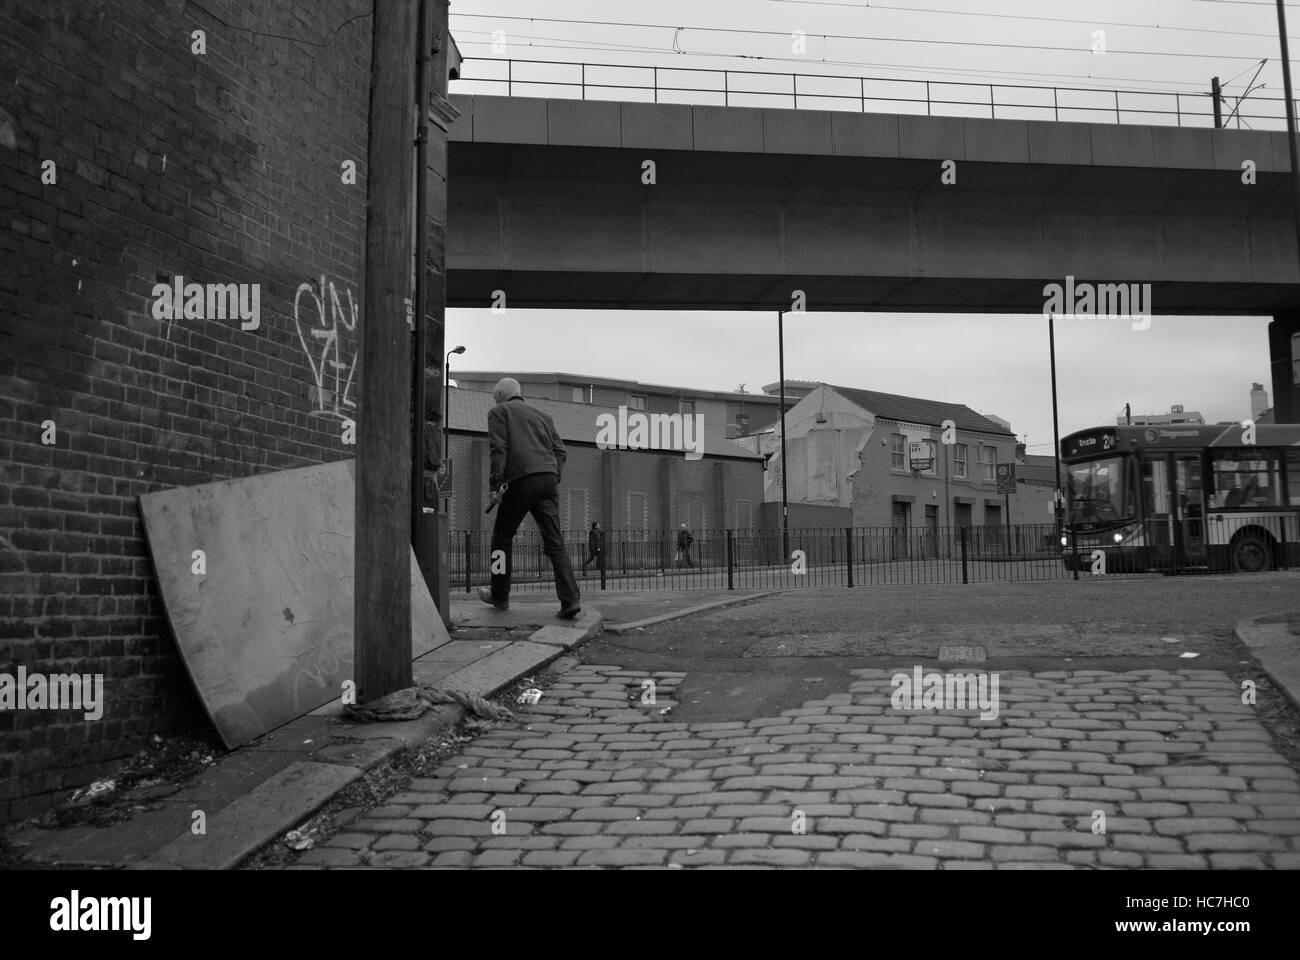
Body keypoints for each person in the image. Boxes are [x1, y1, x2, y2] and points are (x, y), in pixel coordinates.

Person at [478, 378, 580, 618]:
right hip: (547, 480)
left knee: (501, 538)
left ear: (501, 395)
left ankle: (499, 595)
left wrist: (496, 484)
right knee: (555, 542)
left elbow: (498, 450)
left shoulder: (498, 412)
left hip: (520, 479)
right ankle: (570, 601)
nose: (495, 401)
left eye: (495, 397)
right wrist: (553, 475)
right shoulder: (542, 416)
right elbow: (560, 451)